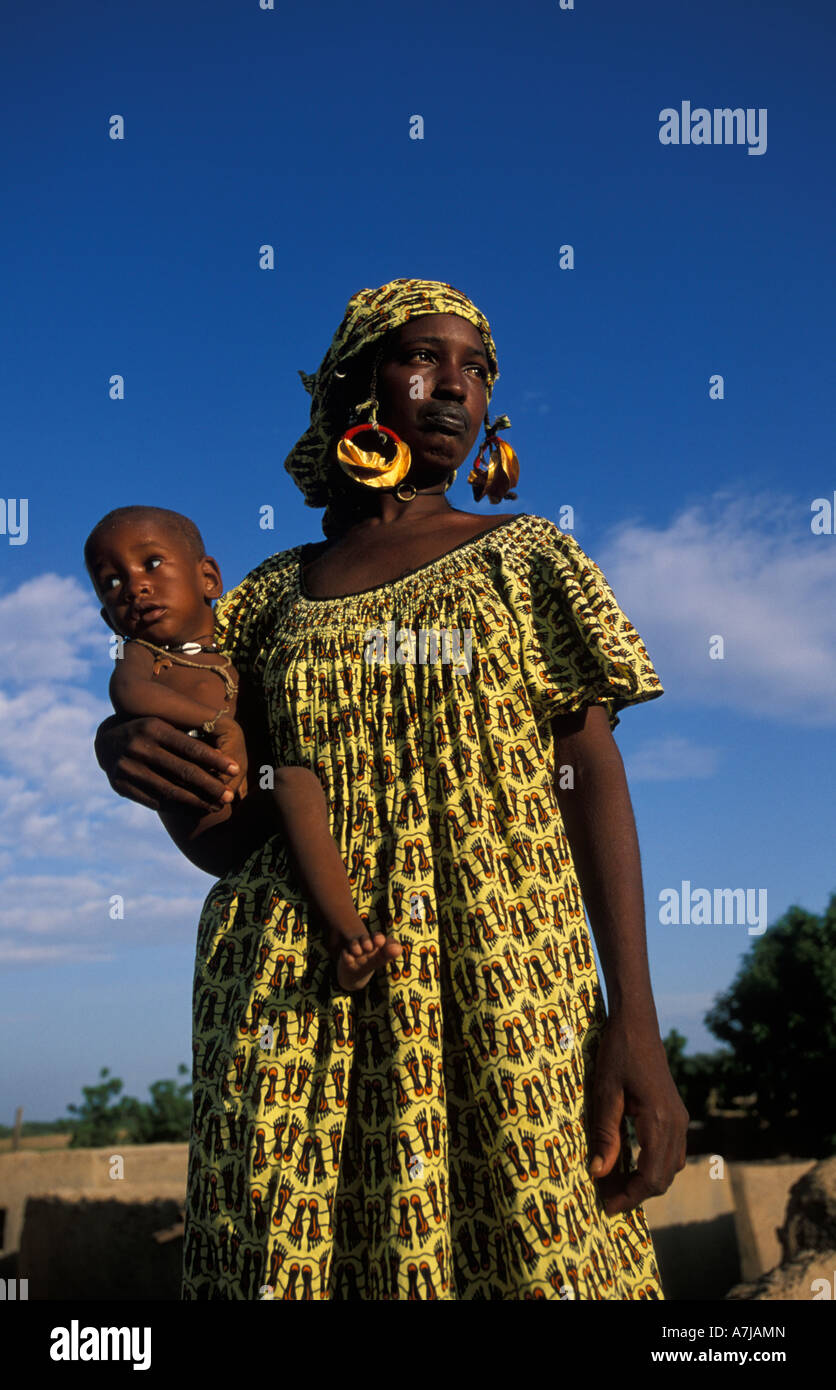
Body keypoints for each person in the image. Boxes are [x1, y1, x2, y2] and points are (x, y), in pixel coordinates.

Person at [94, 277, 689, 1300]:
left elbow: (591, 778)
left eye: (475, 368)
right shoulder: (270, 597)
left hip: (507, 975)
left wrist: (631, 1023)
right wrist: (133, 757)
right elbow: (235, 830)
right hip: (295, 986)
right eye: (422, 357)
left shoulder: (525, 558)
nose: (453, 386)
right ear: (354, 384)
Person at [84, 505, 400, 993]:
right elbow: (129, 695)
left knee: (295, 783)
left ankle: (349, 942)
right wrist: (216, 724)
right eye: (110, 582)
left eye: (151, 564)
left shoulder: (248, 652)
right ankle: (348, 932)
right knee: (292, 783)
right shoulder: (144, 657)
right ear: (109, 619)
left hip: (266, 812)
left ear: (209, 578)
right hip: (213, 820)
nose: (134, 587)